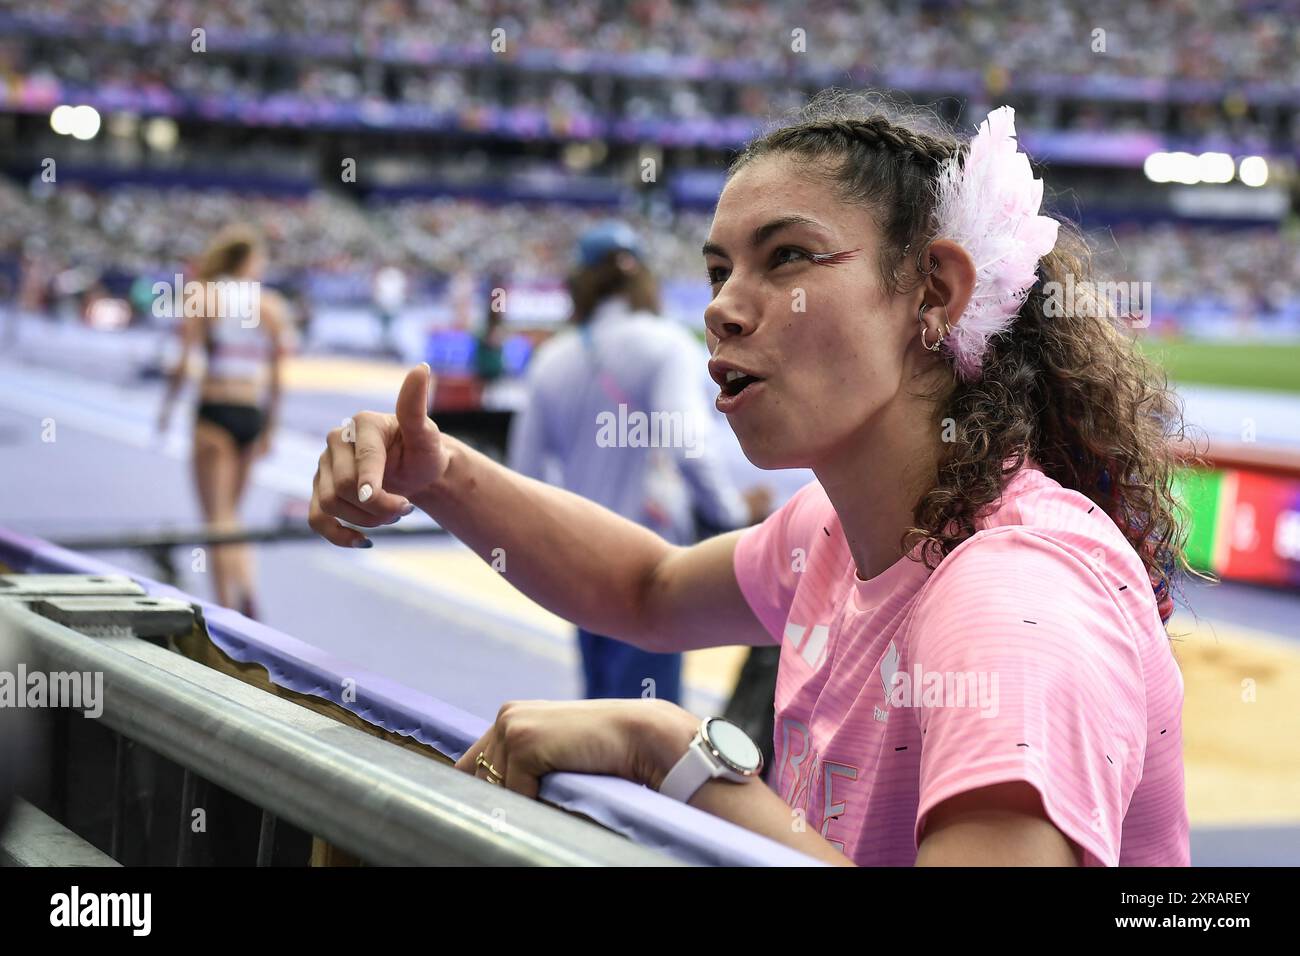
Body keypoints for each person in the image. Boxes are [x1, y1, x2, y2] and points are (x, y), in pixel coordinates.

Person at [308, 91, 1203, 866]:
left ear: (933, 291)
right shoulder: (832, 533)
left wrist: (676, 756)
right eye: (717, 269)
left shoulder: (1010, 594)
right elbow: (648, 589)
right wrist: (440, 469)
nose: (721, 308)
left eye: (787, 258)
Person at [505, 221, 763, 704]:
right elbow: (686, 443)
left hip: (578, 562)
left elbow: (525, 477)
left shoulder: (549, 360)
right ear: (642, 277)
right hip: (650, 562)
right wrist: (731, 515)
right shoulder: (663, 344)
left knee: (598, 718)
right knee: (645, 734)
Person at [158, 224, 290, 620]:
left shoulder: (202, 294)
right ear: (249, 262)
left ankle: (226, 615)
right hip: (250, 413)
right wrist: (270, 428)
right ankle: (247, 590)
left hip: (214, 413)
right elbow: (279, 376)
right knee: (233, 517)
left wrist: (165, 410)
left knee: (216, 521)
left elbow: (183, 363)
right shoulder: (270, 305)